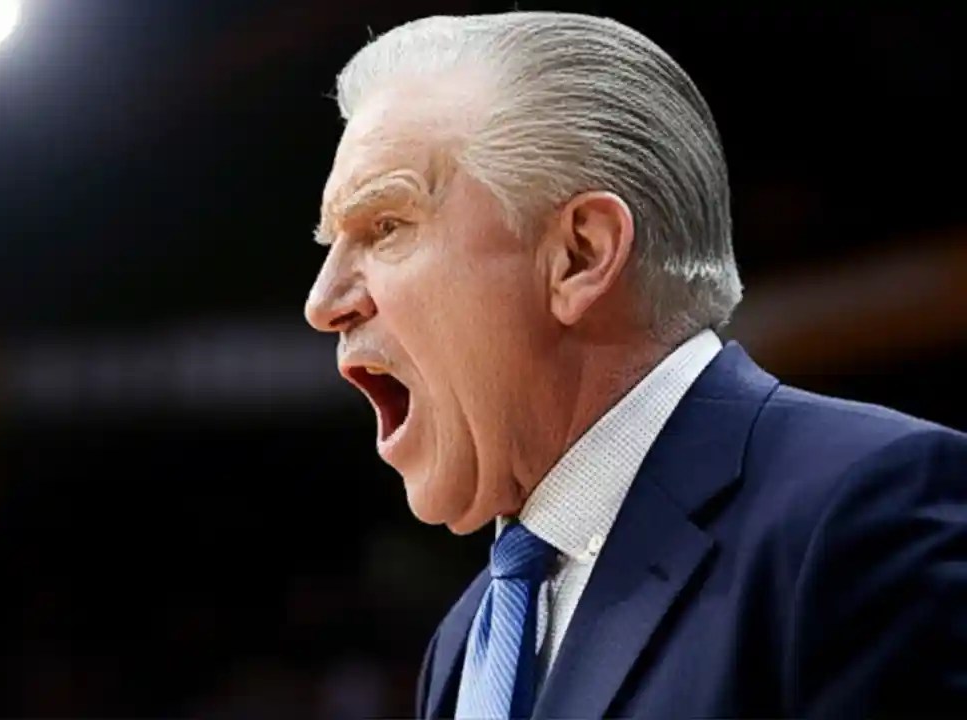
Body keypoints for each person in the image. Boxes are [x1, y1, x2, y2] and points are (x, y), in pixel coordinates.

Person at [302, 11, 967, 719]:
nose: (323, 302)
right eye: (331, 244)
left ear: (579, 256)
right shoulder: (466, 644)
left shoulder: (863, 510)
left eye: (386, 227)